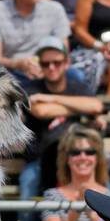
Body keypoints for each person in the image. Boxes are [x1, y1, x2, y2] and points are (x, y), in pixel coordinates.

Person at [19, 37, 102, 198]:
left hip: (75, 158)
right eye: (45, 64)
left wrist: (51, 98)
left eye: (56, 63)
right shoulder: (31, 88)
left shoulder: (77, 86)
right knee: (26, 206)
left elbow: (96, 106)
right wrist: (79, 108)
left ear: (66, 63)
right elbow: (41, 112)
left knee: (108, 190)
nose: (51, 67)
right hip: (38, 160)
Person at [39, 120, 110, 221]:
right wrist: (76, 210)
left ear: (98, 158)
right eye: (75, 152)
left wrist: (91, 213)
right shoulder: (52, 196)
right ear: (66, 158)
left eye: (90, 152)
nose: (83, 157)